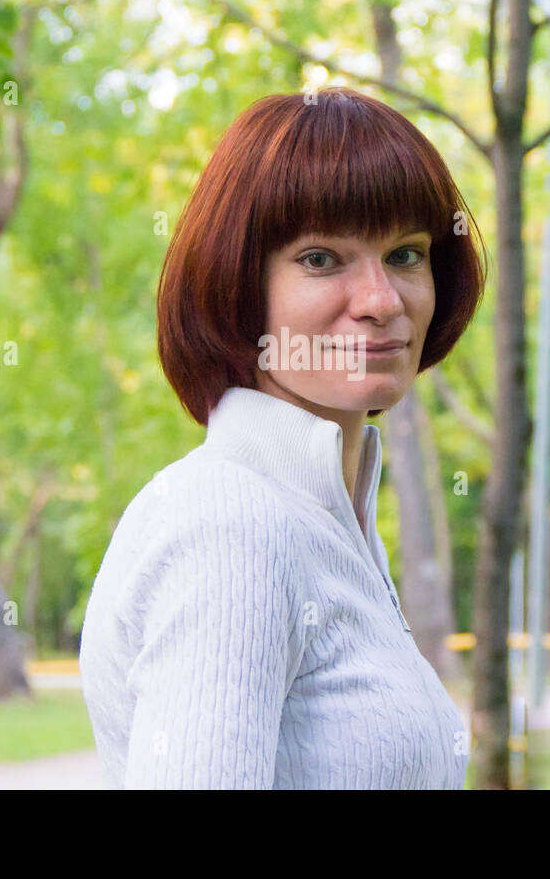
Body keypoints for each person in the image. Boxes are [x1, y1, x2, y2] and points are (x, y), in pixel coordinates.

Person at [78, 88, 487, 788]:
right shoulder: (230, 524)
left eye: (406, 254)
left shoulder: (329, 521)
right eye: (322, 259)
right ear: (238, 284)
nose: (382, 300)